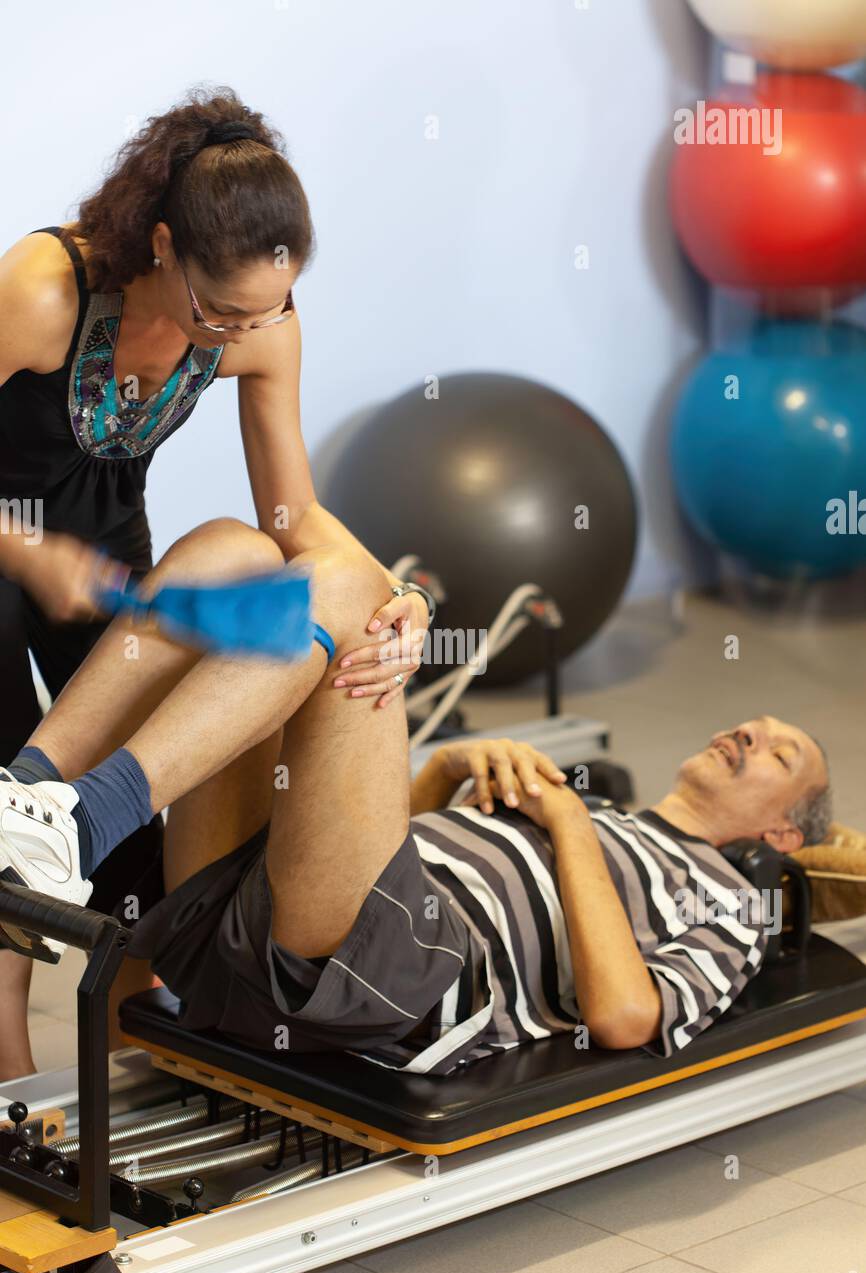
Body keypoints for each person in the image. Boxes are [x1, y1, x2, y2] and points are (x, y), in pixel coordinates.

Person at [0, 521, 832, 1080]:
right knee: (234, 551)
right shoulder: (614, 820)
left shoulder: (732, 901)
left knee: (348, 593)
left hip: (390, 978)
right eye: (750, 725)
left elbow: (623, 1017)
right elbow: (364, 839)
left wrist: (569, 823)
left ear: (781, 832)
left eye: (777, 750)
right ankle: (36, 798)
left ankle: (83, 821)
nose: (746, 735)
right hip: (262, 921)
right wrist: (446, 775)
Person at [0, 88, 432, 1065]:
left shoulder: (263, 323)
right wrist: (24, 550)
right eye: (221, 312)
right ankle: (15, 1126)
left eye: (267, 309)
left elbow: (291, 517)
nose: (246, 334)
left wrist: (396, 593)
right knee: (7, 903)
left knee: (121, 859)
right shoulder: (41, 290)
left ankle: (119, 1102)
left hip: (104, 548)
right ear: (161, 246)